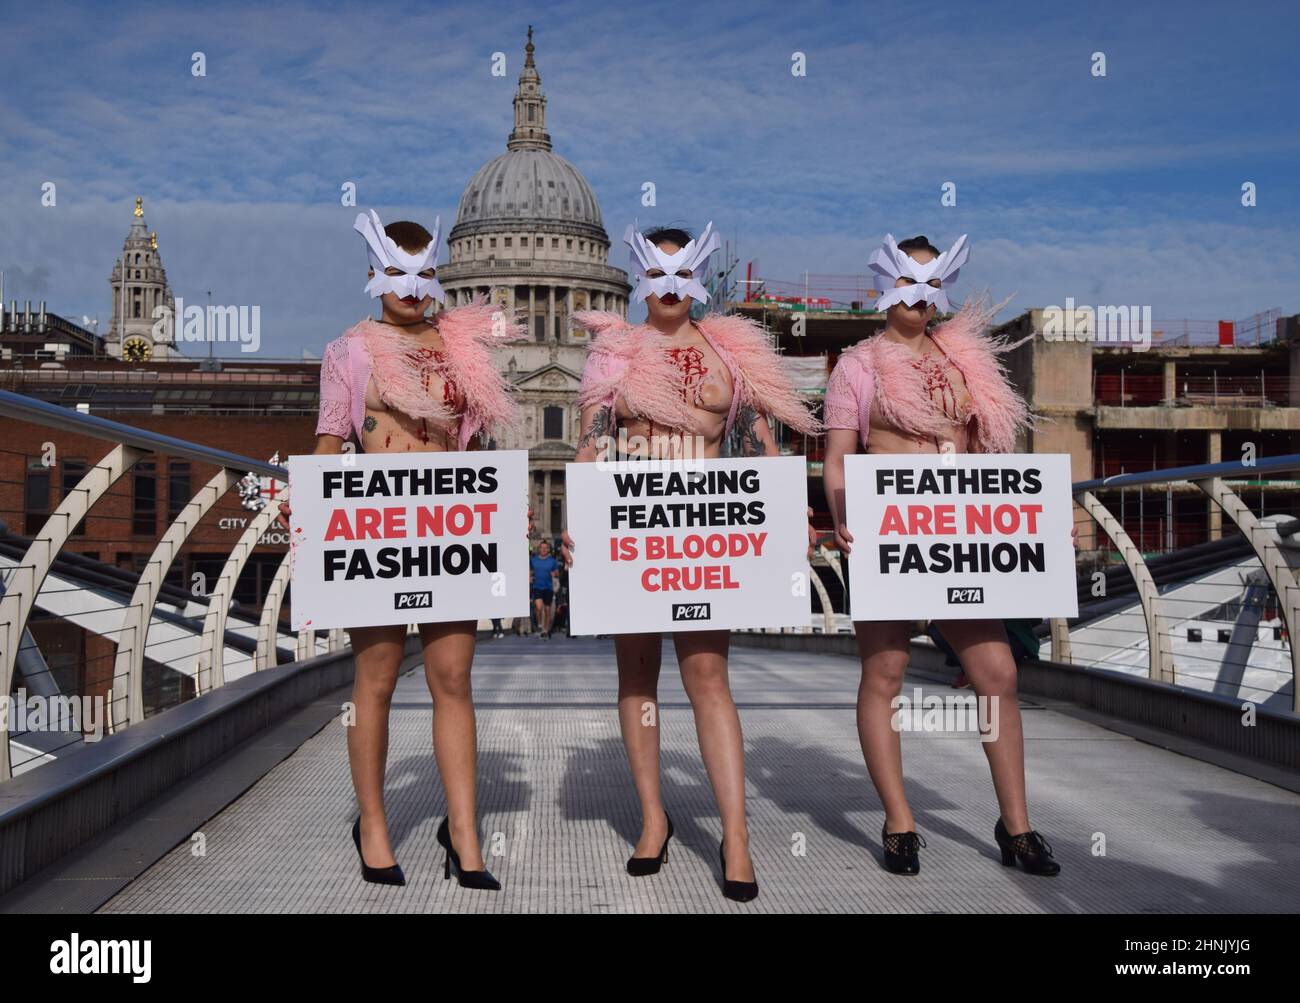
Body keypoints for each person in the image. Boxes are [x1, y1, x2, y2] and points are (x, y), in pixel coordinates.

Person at [561, 221, 819, 902]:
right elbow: (591, 441)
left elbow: (762, 440)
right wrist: (574, 519)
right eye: (659, 275)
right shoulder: (612, 354)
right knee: (637, 676)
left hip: (704, 537)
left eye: (683, 275)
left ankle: (735, 833)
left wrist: (791, 511)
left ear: (697, 277)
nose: (670, 290)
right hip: (632, 531)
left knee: (709, 676)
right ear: (641, 278)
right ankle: (653, 817)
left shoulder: (728, 353)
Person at [279, 210, 519, 890]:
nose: (411, 289)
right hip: (377, 528)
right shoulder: (349, 350)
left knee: (452, 679)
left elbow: (471, 446)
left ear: (437, 276)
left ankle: (465, 835)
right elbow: (331, 441)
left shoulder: (462, 350)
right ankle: (375, 823)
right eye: (396, 273)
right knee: (376, 681)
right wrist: (304, 508)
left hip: (447, 526)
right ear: (372, 275)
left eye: (423, 275)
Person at [822, 233, 1061, 877]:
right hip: (889, 531)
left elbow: (994, 455)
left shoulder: (967, 364)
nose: (919, 298)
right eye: (908, 282)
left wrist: (1032, 523)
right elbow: (839, 453)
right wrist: (842, 516)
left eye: (932, 284)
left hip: (960, 531)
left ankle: (1017, 827)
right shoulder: (860, 364)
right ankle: (900, 823)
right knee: (886, 675)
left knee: (998, 673)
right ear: (885, 286)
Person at [530, 540, 560, 639]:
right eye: (541, 548)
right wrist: (529, 578)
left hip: (548, 588)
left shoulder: (552, 561)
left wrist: (554, 574)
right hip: (537, 587)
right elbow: (529, 571)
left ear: (548, 549)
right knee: (538, 608)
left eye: (545, 548)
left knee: (547, 610)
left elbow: (557, 573)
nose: (543, 549)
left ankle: (545, 630)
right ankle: (539, 624)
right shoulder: (533, 560)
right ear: (539, 549)